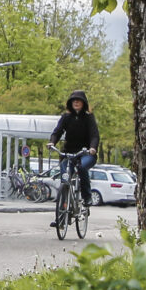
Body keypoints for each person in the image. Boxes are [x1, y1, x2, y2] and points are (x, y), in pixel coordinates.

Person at [48, 89, 99, 227]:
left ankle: (87, 197)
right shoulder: (66, 117)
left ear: (83, 103)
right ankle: (61, 219)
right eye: (73, 100)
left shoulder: (89, 118)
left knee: (82, 168)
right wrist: (52, 142)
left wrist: (93, 148)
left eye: (78, 100)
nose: (76, 102)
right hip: (68, 154)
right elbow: (57, 132)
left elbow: (94, 135)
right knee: (65, 180)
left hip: (86, 154)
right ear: (70, 103)